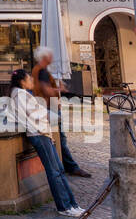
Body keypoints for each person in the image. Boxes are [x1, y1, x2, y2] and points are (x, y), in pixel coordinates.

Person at [4, 69, 83, 217]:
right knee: (54, 171)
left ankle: (72, 204)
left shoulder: (22, 94)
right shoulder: (20, 95)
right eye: (30, 79)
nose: (32, 81)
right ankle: (64, 206)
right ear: (22, 81)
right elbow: (33, 114)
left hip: (42, 133)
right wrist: (45, 112)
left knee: (58, 169)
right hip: (38, 134)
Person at [32, 47, 91, 178]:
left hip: (48, 107)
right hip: (49, 108)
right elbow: (46, 91)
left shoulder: (40, 70)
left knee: (58, 139)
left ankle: (66, 165)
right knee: (61, 139)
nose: (52, 58)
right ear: (45, 58)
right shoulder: (41, 71)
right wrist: (60, 89)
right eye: (50, 56)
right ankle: (71, 167)